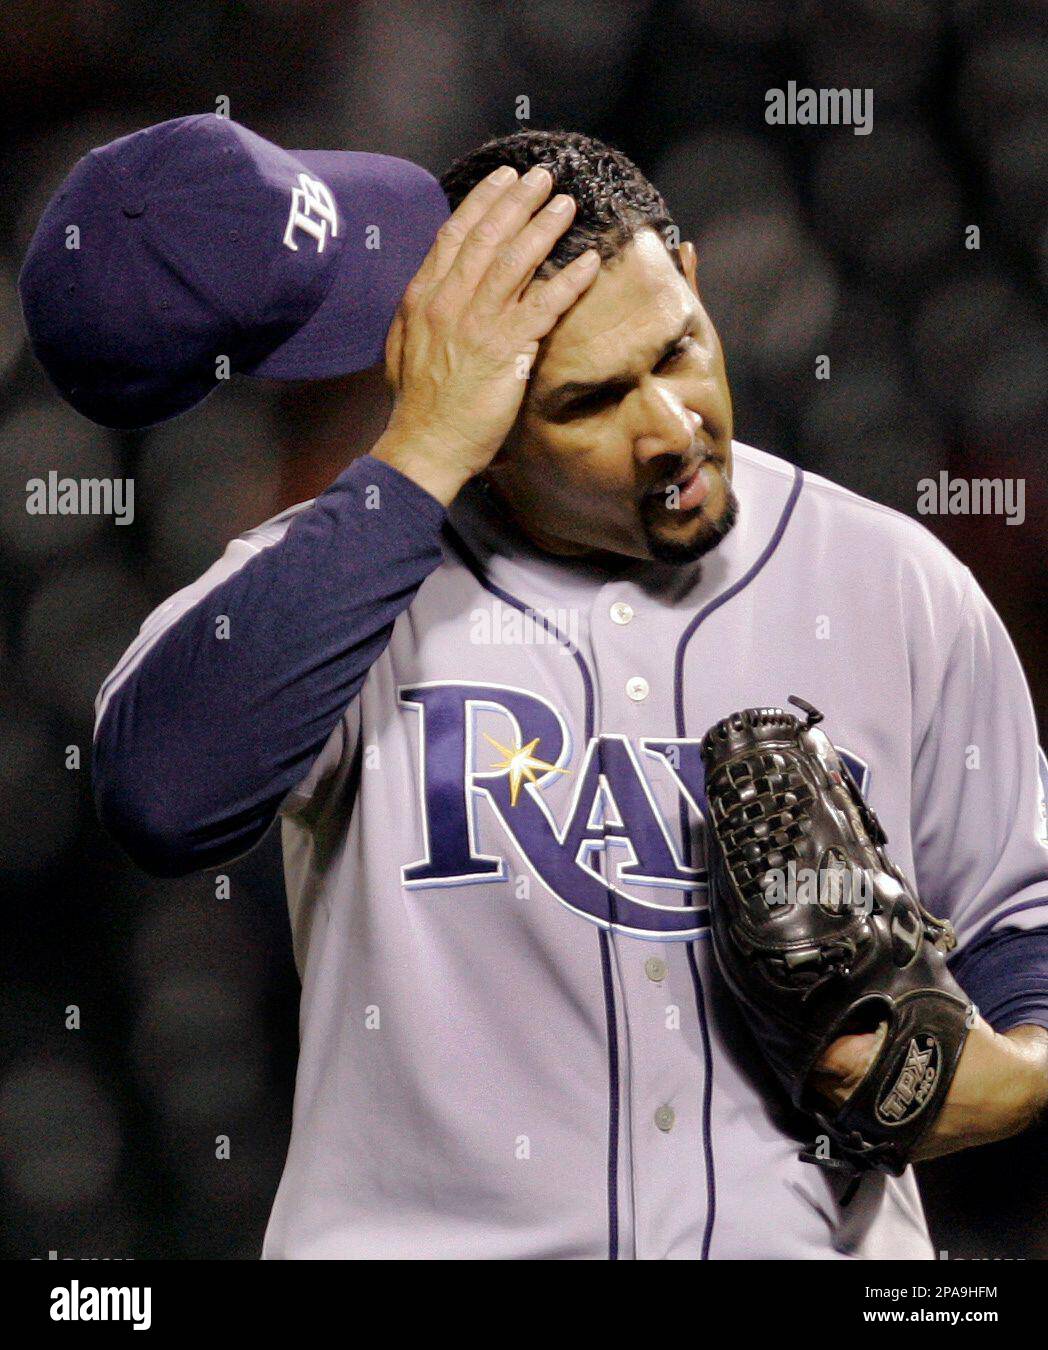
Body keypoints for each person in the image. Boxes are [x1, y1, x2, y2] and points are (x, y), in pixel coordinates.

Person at [93, 130, 1048, 1260]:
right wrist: (414, 461)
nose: (672, 429)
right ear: (484, 424)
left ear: (690, 283)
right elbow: (163, 795)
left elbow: (1016, 918)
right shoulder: (341, 584)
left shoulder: (889, 582)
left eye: (678, 350)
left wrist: (1018, 1073)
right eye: (591, 402)